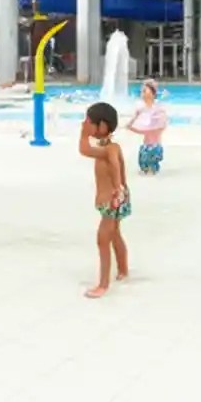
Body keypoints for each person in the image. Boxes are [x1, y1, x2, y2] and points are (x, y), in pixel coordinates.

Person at [78, 102, 130, 299]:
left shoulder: (111, 149)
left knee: (103, 240)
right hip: (113, 199)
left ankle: (103, 284)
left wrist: (117, 189)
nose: (85, 124)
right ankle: (123, 269)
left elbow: (115, 166)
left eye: (89, 121)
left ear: (103, 126)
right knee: (115, 234)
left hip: (113, 201)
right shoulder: (105, 148)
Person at [127, 79, 167, 175]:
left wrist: (136, 128)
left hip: (154, 147)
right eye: (142, 91)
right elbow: (130, 125)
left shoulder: (159, 109)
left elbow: (159, 128)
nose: (142, 93)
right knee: (144, 172)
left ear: (153, 93)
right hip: (145, 147)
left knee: (150, 173)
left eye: (145, 91)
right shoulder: (141, 109)